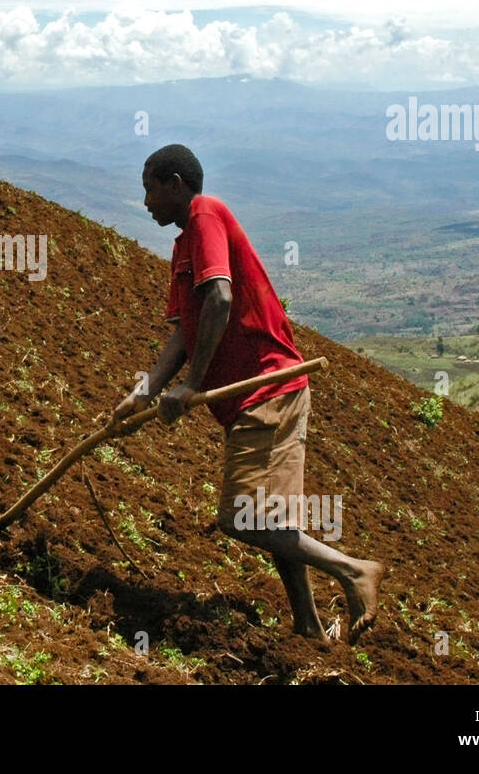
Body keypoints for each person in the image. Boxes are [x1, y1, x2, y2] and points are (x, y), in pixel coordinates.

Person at [112, 144, 385, 645]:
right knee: (272, 515)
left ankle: (352, 570)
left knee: (240, 518)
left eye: (149, 187)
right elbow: (184, 335)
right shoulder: (180, 249)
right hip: (249, 399)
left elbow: (220, 296)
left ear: (175, 183)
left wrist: (192, 385)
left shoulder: (206, 214)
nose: (145, 200)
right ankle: (307, 624)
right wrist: (145, 392)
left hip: (269, 388)